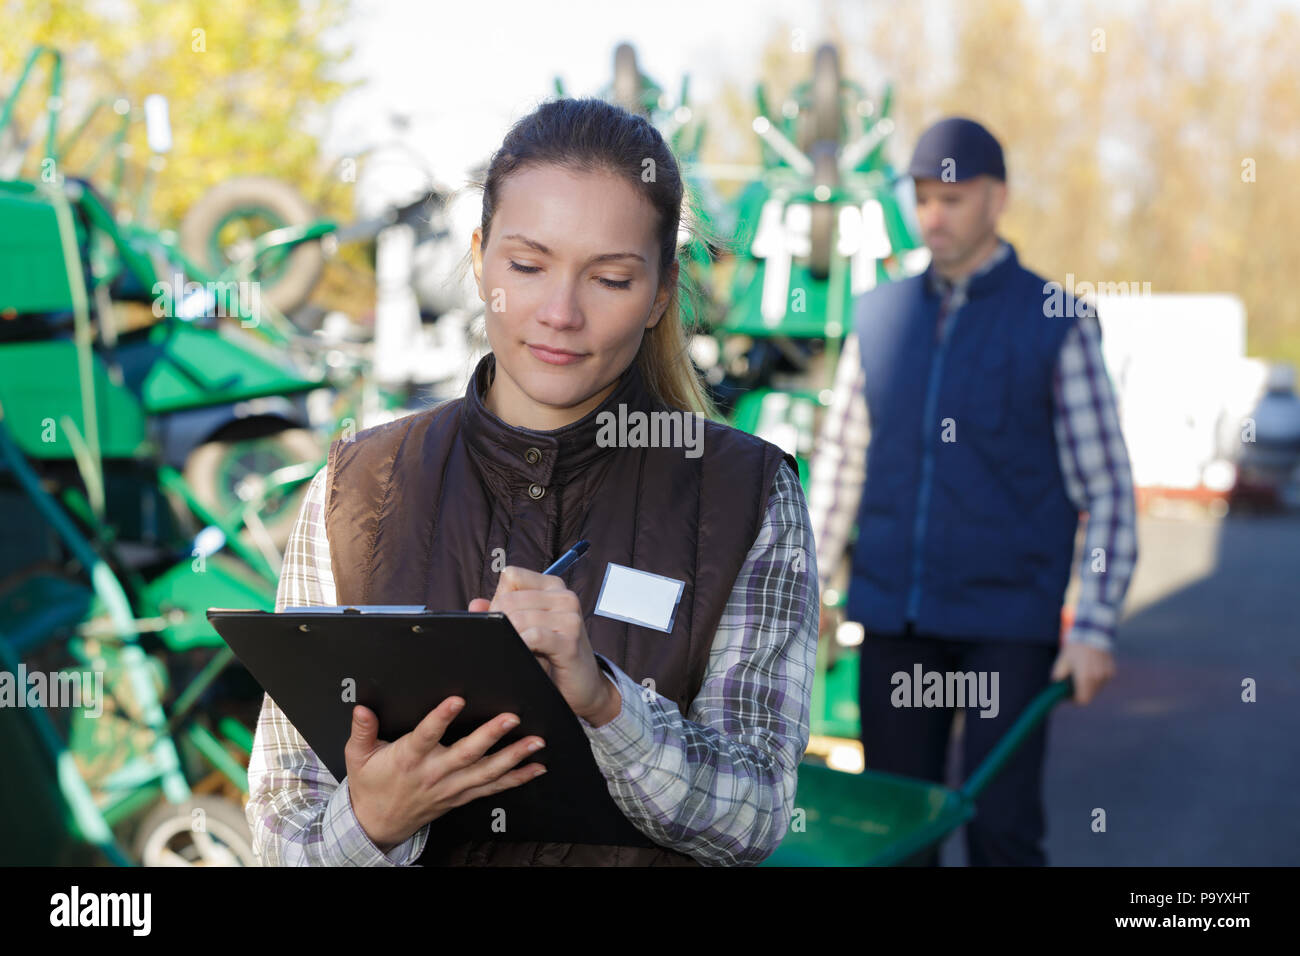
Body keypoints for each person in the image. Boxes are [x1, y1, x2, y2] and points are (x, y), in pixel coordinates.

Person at [245, 97, 819, 867]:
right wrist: (372, 821)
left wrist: (608, 706)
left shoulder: (749, 496)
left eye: (610, 279)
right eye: (526, 265)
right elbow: (284, 822)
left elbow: (754, 819)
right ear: (481, 258)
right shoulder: (356, 487)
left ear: (658, 295)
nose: (559, 312)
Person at [808, 116, 1138, 866]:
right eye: (923, 197)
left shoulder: (1056, 321)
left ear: (998, 199)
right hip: (896, 622)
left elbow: (1109, 490)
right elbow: (841, 464)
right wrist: (809, 594)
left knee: (1001, 830)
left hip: (1007, 629)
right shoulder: (880, 317)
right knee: (892, 830)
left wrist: (1093, 626)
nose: (934, 215)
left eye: (952, 198)